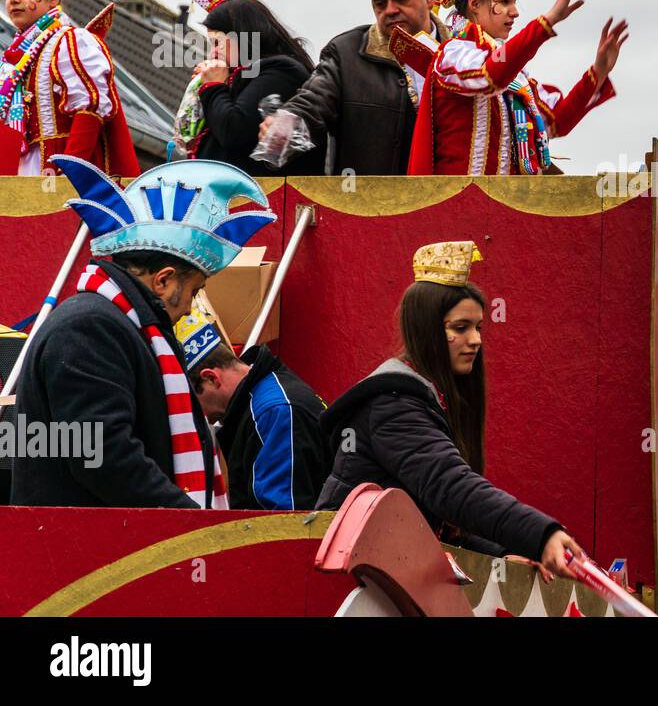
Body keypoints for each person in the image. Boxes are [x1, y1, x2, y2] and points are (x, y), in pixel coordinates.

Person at [10, 155, 276, 508]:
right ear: (163, 280)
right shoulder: (90, 329)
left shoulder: (117, 324)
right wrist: (191, 521)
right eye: (195, 291)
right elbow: (105, 457)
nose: (190, 309)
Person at [315, 241, 587, 580]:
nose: (475, 340)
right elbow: (450, 488)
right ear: (428, 329)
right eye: (460, 328)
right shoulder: (393, 405)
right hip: (351, 583)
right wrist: (540, 536)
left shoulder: (418, 396)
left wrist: (502, 553)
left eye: (478, 327)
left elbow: (440, 524)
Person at [405, 0, 628, 175]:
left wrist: (598, 71)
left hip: (506, 209)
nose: (515, 11)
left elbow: (557, 121)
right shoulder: (453, 55)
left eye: (514, 1)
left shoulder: (516, 78)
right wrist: (546, 23)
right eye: (505, 1)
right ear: (475, 4)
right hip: (458, 207)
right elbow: (491, 76)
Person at [257, 0, 448, 174]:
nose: (390, 10)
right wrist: (286, 126)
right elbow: (312, 102)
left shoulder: (463, 53)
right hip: (367, 206)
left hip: (452, 202)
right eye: (380, 4)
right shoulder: (346, 53)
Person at [176, 304, 329, 510]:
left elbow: (284, 522)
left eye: (193, 402)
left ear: (211, 378)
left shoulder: (275, 413)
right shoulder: (265, 396)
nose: (196, 415)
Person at [0, 0, 139, 177]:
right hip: (22, 169)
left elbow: (90, 106)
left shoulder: (70, 41)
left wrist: (70, 170)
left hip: (58, 168)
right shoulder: (14, 58)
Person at [187, 0, 328, 175]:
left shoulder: (281, 71)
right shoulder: (241, 76)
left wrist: (213, 87)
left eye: (217, 43)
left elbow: (235, 134)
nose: (213, 54)